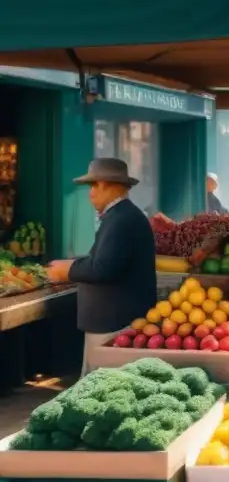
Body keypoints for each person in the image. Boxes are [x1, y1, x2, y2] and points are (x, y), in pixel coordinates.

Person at [45, 159, 156, 375]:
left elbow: (104, 268)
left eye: (94, 186)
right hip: (112, 322)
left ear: (107, 184)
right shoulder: (121, 216)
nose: (90, 193)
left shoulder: (122, 219)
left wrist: (66, 271)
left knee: (104, 388)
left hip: (115, 324)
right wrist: (73, 265)